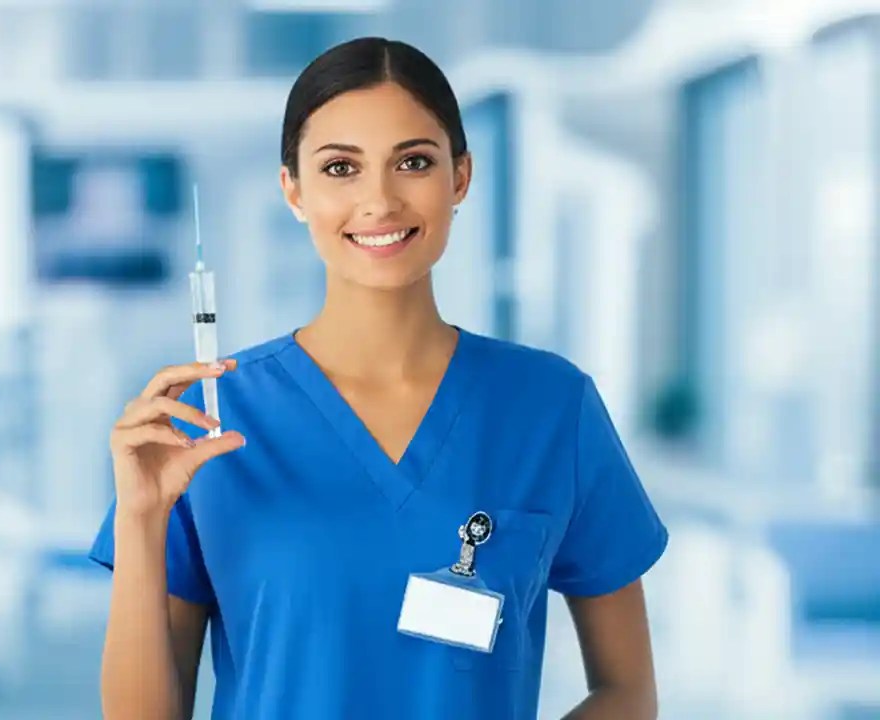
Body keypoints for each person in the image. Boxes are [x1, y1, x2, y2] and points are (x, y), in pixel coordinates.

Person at [90, 36, 668, 720]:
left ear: (460, 178)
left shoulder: (550, 409)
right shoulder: (210, 419)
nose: (380, 200)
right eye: (340, 168)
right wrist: (140, 515)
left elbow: (627, 692)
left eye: (413, 162)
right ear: (294, 191)